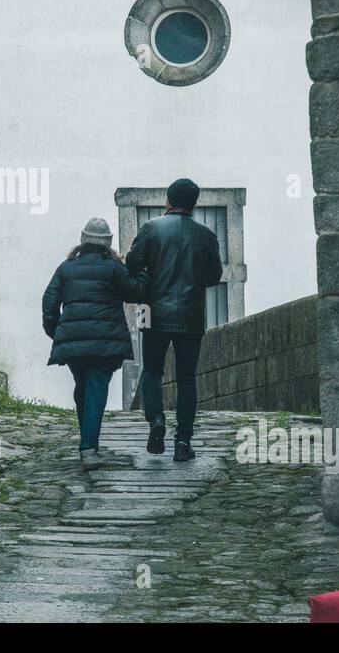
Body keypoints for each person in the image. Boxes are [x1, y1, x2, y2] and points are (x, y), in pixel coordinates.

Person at [125, 178, 223, 462]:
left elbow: (132, 264)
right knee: (187, 379)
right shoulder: (206, 235)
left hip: (152, 312)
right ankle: (183, 442)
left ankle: (156, 419)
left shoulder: (151, 229)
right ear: (194, 204)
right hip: (191, 315)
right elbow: (213, 276)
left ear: (168, 201)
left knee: (153, 370)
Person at [42, 218, 148, 470]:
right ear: (107, 243)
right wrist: (143, 273)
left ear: (83, 240)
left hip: (74, 343)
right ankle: (89, 448)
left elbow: (49, 303)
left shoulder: (66, 268)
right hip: (105, 342)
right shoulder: (113, 268)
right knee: (96, 391)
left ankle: (88, 441)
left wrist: (57, 332)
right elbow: (135, 293)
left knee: (83, 389)